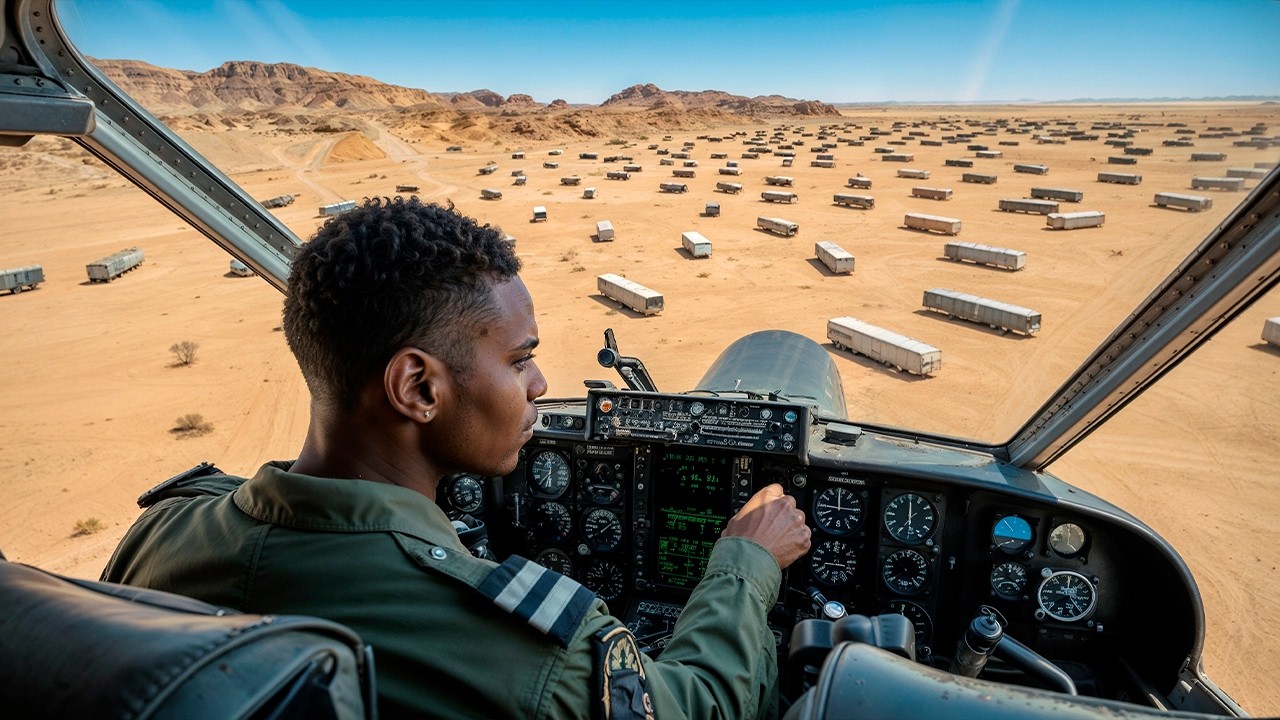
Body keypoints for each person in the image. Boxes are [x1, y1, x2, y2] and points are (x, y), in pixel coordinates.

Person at [102, 197, 812, 719]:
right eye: (519, 359)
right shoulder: (536, 656)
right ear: (418, 387)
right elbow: (700, 708)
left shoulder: (159, 535)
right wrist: (745, 567)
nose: (538, 385)